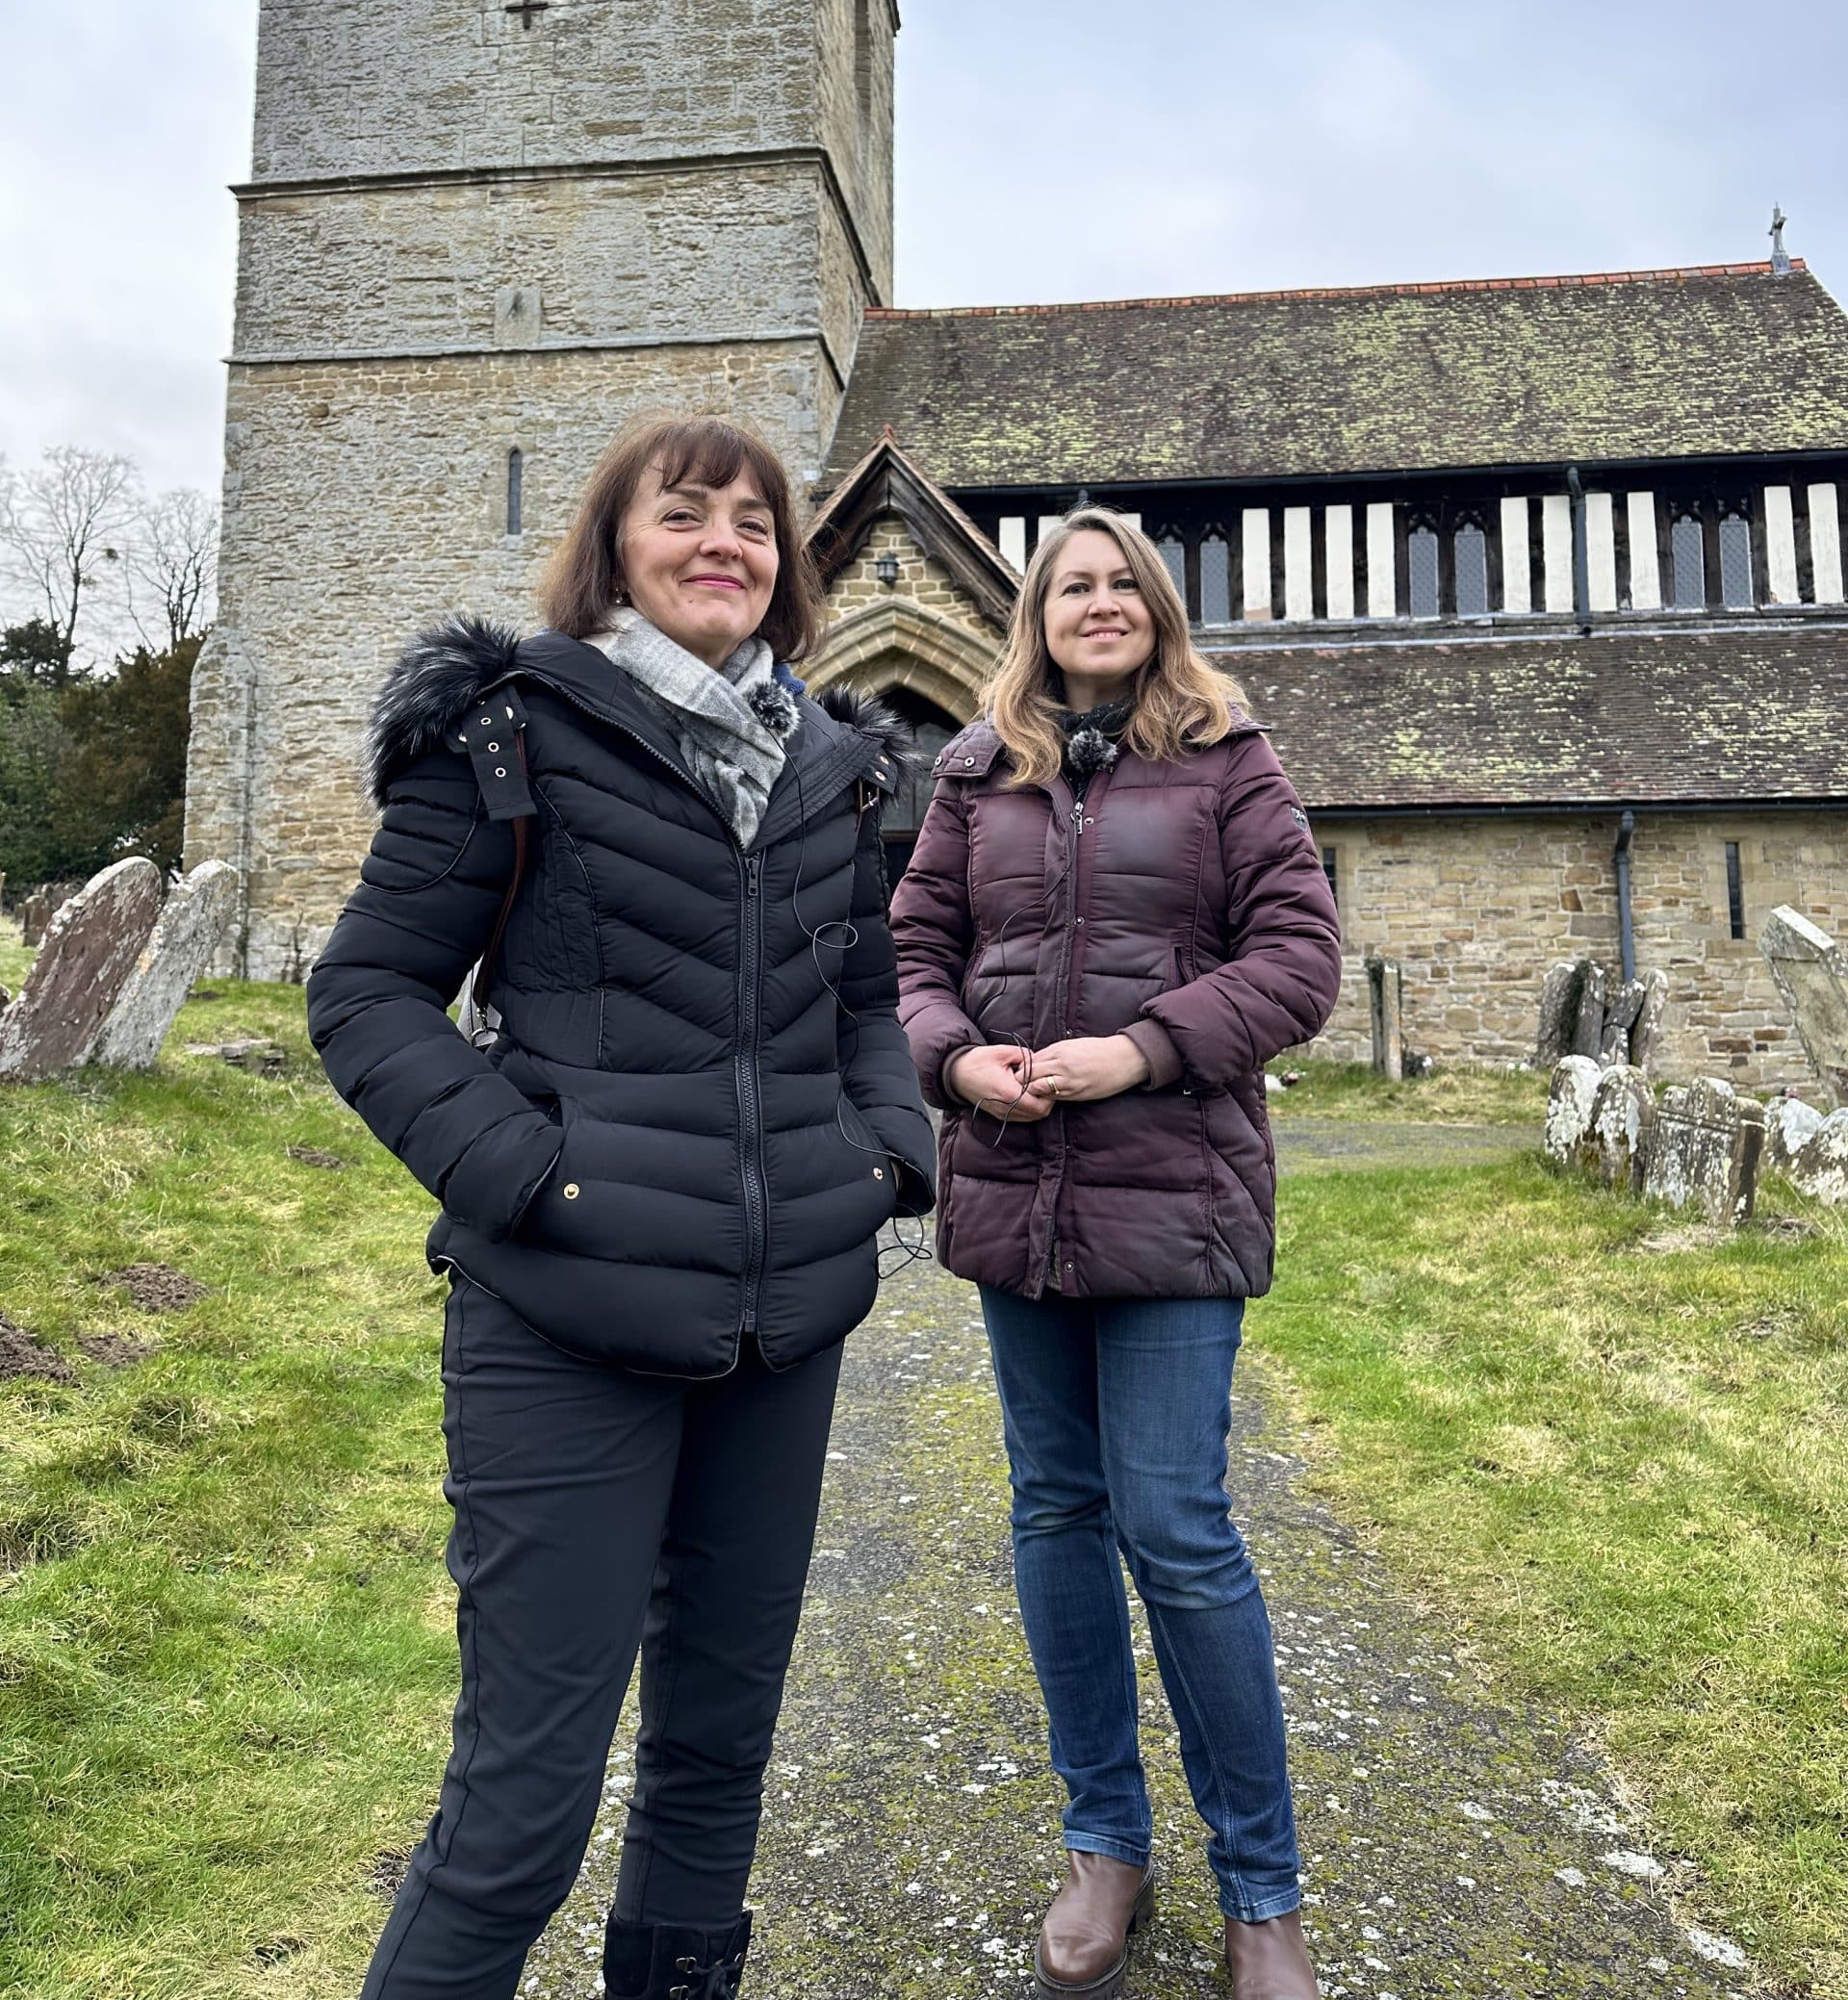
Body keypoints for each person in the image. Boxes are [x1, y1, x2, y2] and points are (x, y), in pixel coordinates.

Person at [306, 416, 934, 2000]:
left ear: (790, 569)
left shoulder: (838, 768)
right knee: (525, 1798)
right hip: (562, 1320)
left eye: (756, 522)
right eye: (686, 513)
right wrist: (527, 1176)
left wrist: (882, 1160)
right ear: (617, 544)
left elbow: (870, 1003)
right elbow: (370, 994)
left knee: (720, 1759)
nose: (724, 541)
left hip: (782, 1321)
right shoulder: (510, 731)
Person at [891, 507, 1342, 2000]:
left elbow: (1298, 961)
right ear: (1035, 616)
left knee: (1179, 1531)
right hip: (1017, 1199)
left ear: (1156, 606)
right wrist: (956, 1065)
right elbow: (915, 953)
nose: (1099, 603)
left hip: (1175, 1199)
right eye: (1070, 585)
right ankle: (1106, 1843)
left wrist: (1137, 1053)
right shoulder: (976, 771)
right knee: (1055, 1515)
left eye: (1121, 584)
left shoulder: (1230, 761)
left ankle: (1260, 1892)